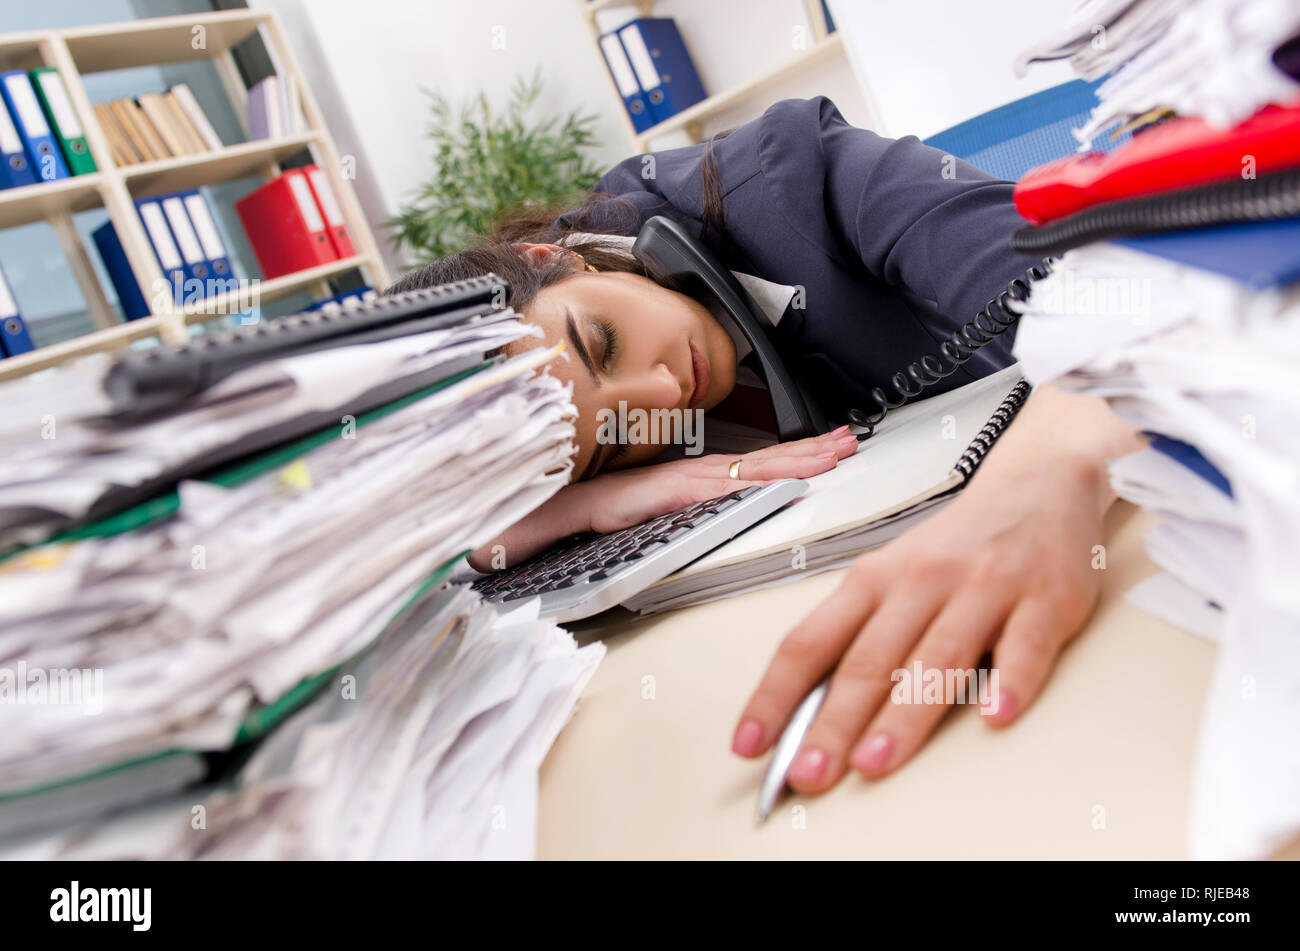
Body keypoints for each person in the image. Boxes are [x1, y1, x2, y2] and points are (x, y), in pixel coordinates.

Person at [386, 97, 1145, 797]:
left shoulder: (790, 174)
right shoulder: (589, 451)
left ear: (553, 258)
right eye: (614, 444)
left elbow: (1117, 291)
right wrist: (586, 500)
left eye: (604, 344)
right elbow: (393, 569)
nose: (657, 396)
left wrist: (1047, 473)